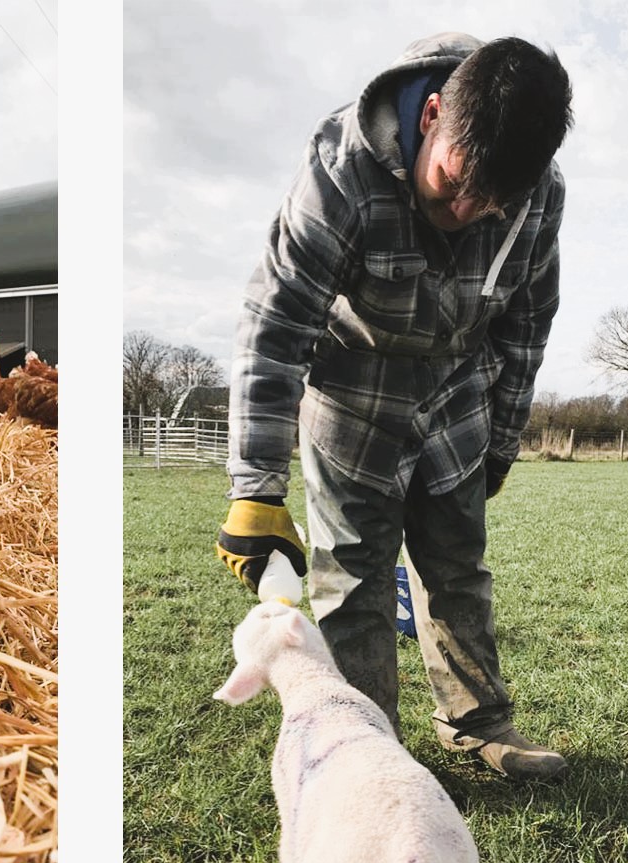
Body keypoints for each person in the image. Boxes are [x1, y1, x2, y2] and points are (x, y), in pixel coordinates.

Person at [215, 33, 573, 782]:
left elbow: (527, 325)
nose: (467, 212)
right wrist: (255, 488)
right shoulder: (340, 172)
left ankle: (479, 725)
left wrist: (503, 440)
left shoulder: (540, 196)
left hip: (458, 401)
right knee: (352, 584)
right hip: (353, 403)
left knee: (458, 571)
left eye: (493, 203)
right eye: (454, 181)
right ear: (432, 114)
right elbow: (276, 325)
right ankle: (368, 751)